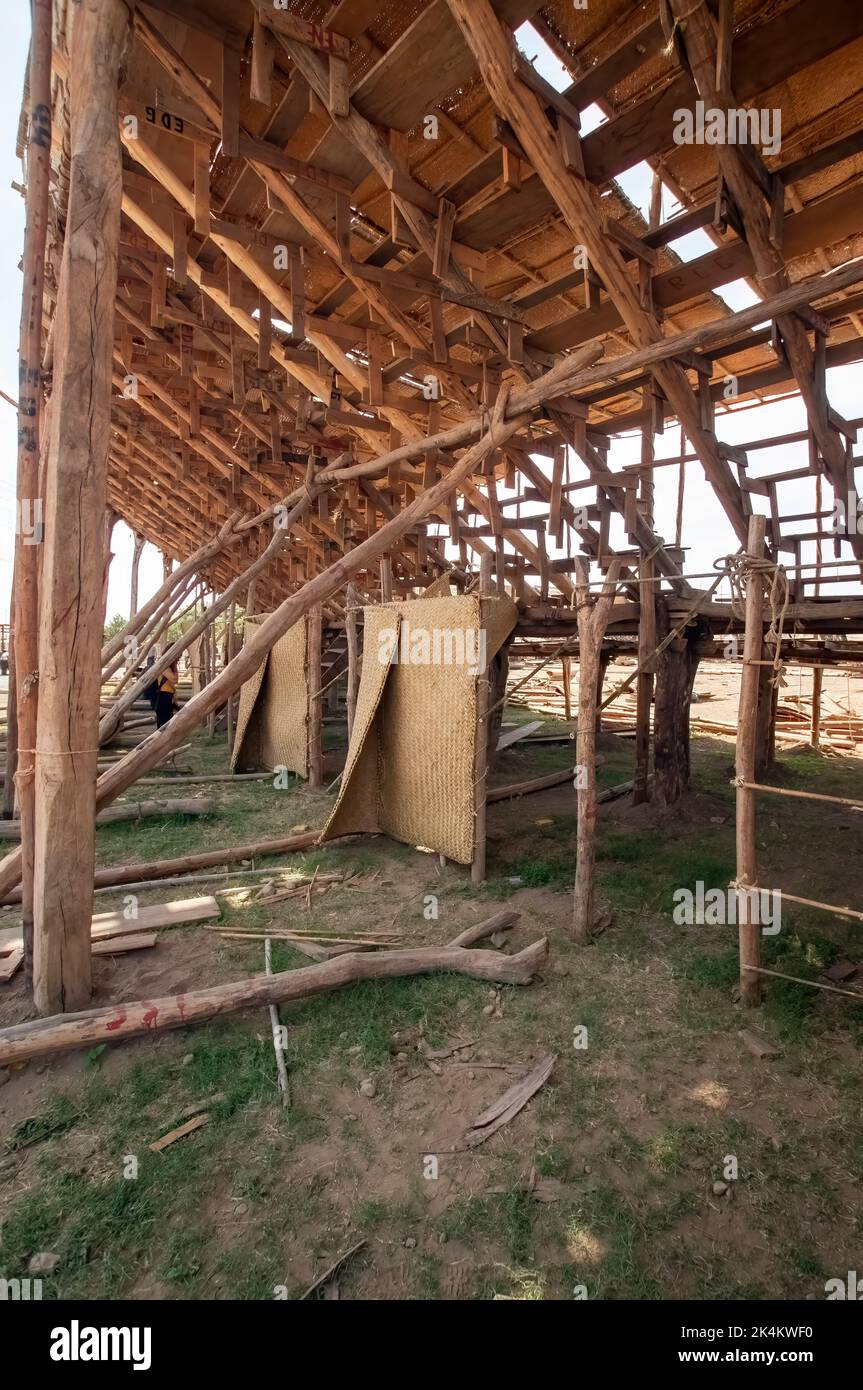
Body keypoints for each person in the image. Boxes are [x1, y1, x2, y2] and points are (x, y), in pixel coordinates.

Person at [155, 660, 179, 728]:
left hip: (169, 696)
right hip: (163, 696)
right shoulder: (165, 668)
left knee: (168, 719)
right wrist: (175, 667)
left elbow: (176, 681)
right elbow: (174, 679)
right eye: (177, 659)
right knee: (163, 720)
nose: (177, 661)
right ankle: (160, 737)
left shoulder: (170, 669)